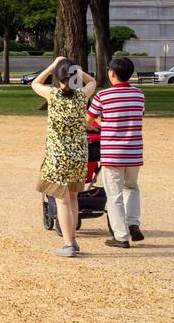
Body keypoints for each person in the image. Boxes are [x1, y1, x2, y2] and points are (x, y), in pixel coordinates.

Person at [31, 55, 96, 257]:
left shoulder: (52, 95)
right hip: (78, 154)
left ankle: (68, 244)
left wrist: (52, 65)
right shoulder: (82, 96)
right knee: (73, 198)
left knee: (62, 200)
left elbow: (35, 82)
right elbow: (93, 81)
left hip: (58, 156)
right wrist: (77, 70)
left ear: (58, 78)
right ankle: (72, 238)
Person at [87, 55, 146, 248]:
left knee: (114, 194)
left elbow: (87, 120)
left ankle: (121, 235)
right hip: (134, 152)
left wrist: (96, 126)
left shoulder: (103, 96)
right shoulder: (139, 95)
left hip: (113, 152)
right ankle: (133, 223)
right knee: (132, 188)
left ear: (112, 73)